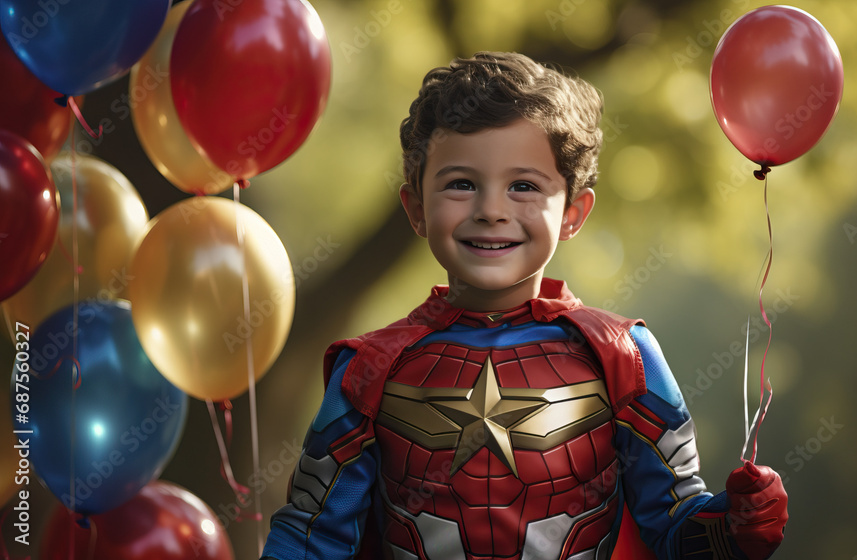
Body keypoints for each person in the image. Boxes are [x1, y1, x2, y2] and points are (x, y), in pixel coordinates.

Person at [261, 51, 788, 560]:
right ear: (416, 208)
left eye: (524, 186)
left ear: (573, 213)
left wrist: (737, 525)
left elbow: (675, 527)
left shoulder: (623, 356)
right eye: (462, 184)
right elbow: (313, 535)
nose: (492, 210)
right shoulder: (369, 370)